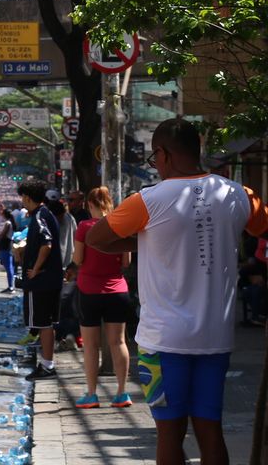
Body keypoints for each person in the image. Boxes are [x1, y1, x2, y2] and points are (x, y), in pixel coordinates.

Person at [88, 119, 268, 465]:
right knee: (210, 430)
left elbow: (97, 239)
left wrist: (149, 241)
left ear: (162, 154)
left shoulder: (147, 200)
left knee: (170, 434)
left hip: (163, 342)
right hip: (216, 338)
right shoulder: (237, 194)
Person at [70, 186, 132, 409]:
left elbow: (77, 259)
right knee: (119, 341)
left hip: (89, 291)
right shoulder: (121, 226)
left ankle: (92, 394)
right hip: (118, 291)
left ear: (89, 205)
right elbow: (126, 263)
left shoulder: (84, 227)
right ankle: (122, 393)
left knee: (90, 345)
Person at [14, 179, 63, 376]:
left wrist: (34, 269)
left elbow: (46, 244)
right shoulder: (45, 214)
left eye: (23, 198)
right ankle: (46, 364)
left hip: (41, 282)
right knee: (47, 325)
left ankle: (47, 365)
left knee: (43, 324)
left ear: (27, 197)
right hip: (51, 279)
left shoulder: (39, 216)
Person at [0, 205, 16, 293]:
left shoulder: (7, 223)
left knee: (8, 266)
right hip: (6, 245)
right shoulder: (9, 222)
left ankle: (11, 287)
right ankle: (11, 286)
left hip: (6, 245)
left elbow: (1, 235)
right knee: (9, 266)